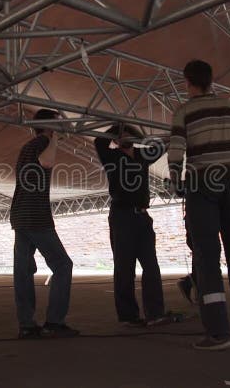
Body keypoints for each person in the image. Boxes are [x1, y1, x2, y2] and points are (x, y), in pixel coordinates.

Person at [167, 59, 230, 351]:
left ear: (188, 81)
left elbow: (176, 152)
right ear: (211, 80)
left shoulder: (184, 111)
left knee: (207, 258)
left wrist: (176, 182)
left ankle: (217, 333)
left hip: (202, 186)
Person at [10, 109, 79, 339]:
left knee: (24, 271)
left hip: (21, 215)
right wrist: (55, 136)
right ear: (49, 126)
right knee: (62, 265)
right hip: (35, 215)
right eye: (58, 124)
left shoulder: (30, 144)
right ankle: (54, 322)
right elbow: (47, 161)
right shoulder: (42, 142)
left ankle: (27, 325)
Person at [94, 124, 173, 327]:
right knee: (124, 267)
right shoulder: (110, 156)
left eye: (127, 133)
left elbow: (162, 146)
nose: (124, 137)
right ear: (116, 138)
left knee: (151, 266)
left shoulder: (141, 156)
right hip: (121, 217)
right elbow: (98, 141)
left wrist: (173, 135)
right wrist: (116, 125)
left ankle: (155, 313)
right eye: (120, 135)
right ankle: (128, 316)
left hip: (142, 217)